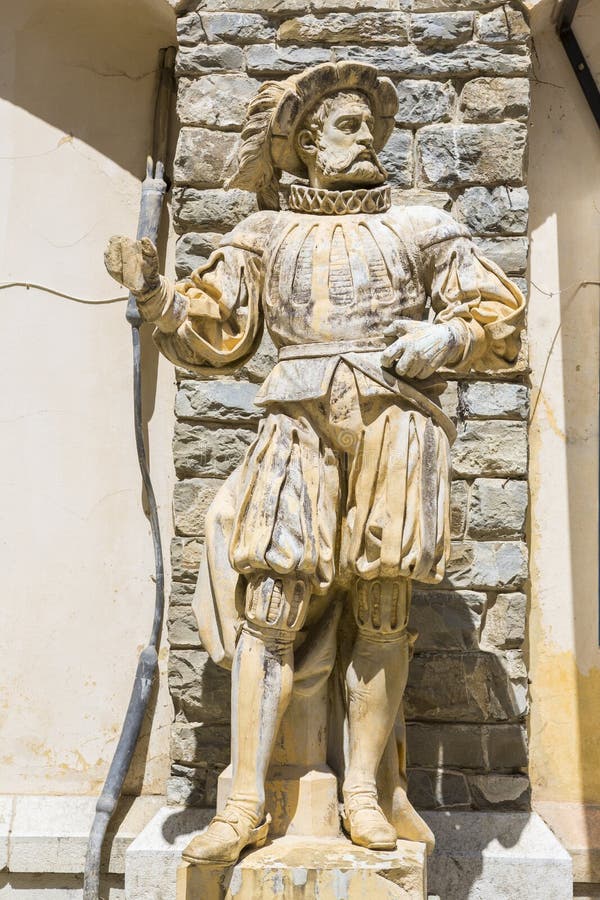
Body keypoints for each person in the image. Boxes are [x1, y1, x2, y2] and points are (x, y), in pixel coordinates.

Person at [105, 61, 524, 867]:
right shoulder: (262, 234)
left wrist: (449, 337)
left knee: (384, 606)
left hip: (395, 418)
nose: (369, 135)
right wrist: (157, 295)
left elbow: (497, 312)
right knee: (271, 599)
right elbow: (216, 331)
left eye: (372, 123)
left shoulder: (422, 226)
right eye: (347, 123)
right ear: (299, 144)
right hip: (295, 420)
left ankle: (364, 795)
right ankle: (244, 801)